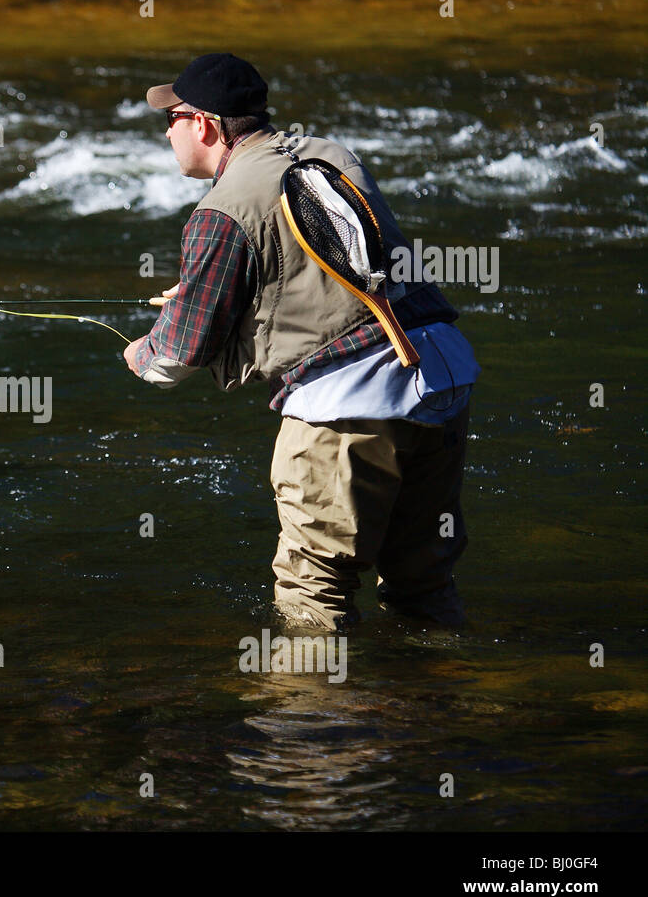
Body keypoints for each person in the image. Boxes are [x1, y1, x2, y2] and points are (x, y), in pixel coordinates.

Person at [122, 53, 481, 631]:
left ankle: (313, 719)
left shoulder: (221, 209)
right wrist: (211, 292)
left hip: (349, 404)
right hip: (439, 375)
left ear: (206, 125)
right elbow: (329, 267)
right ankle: (439, 700)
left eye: (172, 118)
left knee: (314, 591)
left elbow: (178, 355)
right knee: (424, 579)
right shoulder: (332, 154)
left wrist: (141, 353)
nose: (166, 131)